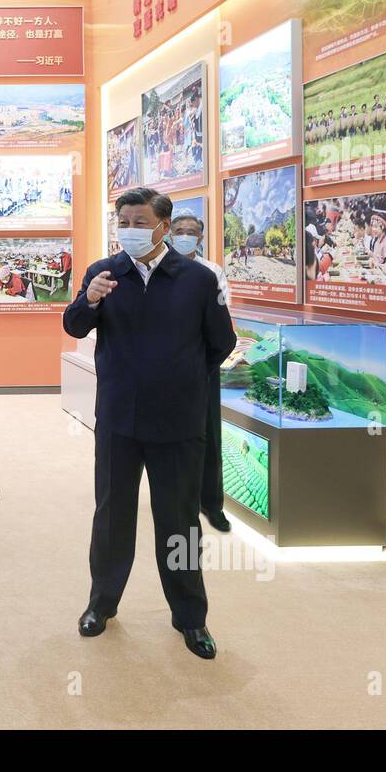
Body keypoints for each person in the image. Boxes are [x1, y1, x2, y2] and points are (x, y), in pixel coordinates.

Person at [64, 187, 236, 660]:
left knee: (178, 522)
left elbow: (220, 344)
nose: (131, 230)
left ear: (163, 225)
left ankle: (190, 617)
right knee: (112, 514)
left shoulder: (198, 279)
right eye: (124, 221)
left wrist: (177, 379)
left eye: (140, 222)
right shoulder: (104, 272)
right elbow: (74, 326)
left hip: (178, 422)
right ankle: (102, 604)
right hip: (119, 418)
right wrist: (89, 301)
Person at [169, 213, 232, 533]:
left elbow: (220, 325)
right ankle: (175, 500)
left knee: (207, 436)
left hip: (202, 366)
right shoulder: (157, 270)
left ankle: (212, 503)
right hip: (163, 369)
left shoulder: (211, 272)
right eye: (178, 231)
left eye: (190, 232)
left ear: (201, 238)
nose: (183, 236)